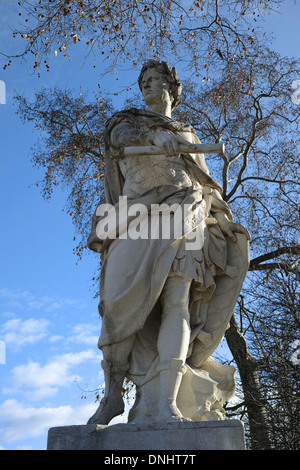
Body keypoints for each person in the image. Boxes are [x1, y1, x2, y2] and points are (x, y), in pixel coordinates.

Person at [87, 60, 250, 424]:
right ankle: (113, 395)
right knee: (117, 303)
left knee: (177, 301)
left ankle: (166, 401)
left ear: (171, 88)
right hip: (137, 217)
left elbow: (206, 184)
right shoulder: (128, 121)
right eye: (142, 80)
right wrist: (155, 138)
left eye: (154, 80)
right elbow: (118, 140)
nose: (146, 85)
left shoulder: (189, 134)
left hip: (185, 214)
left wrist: (219, 217)